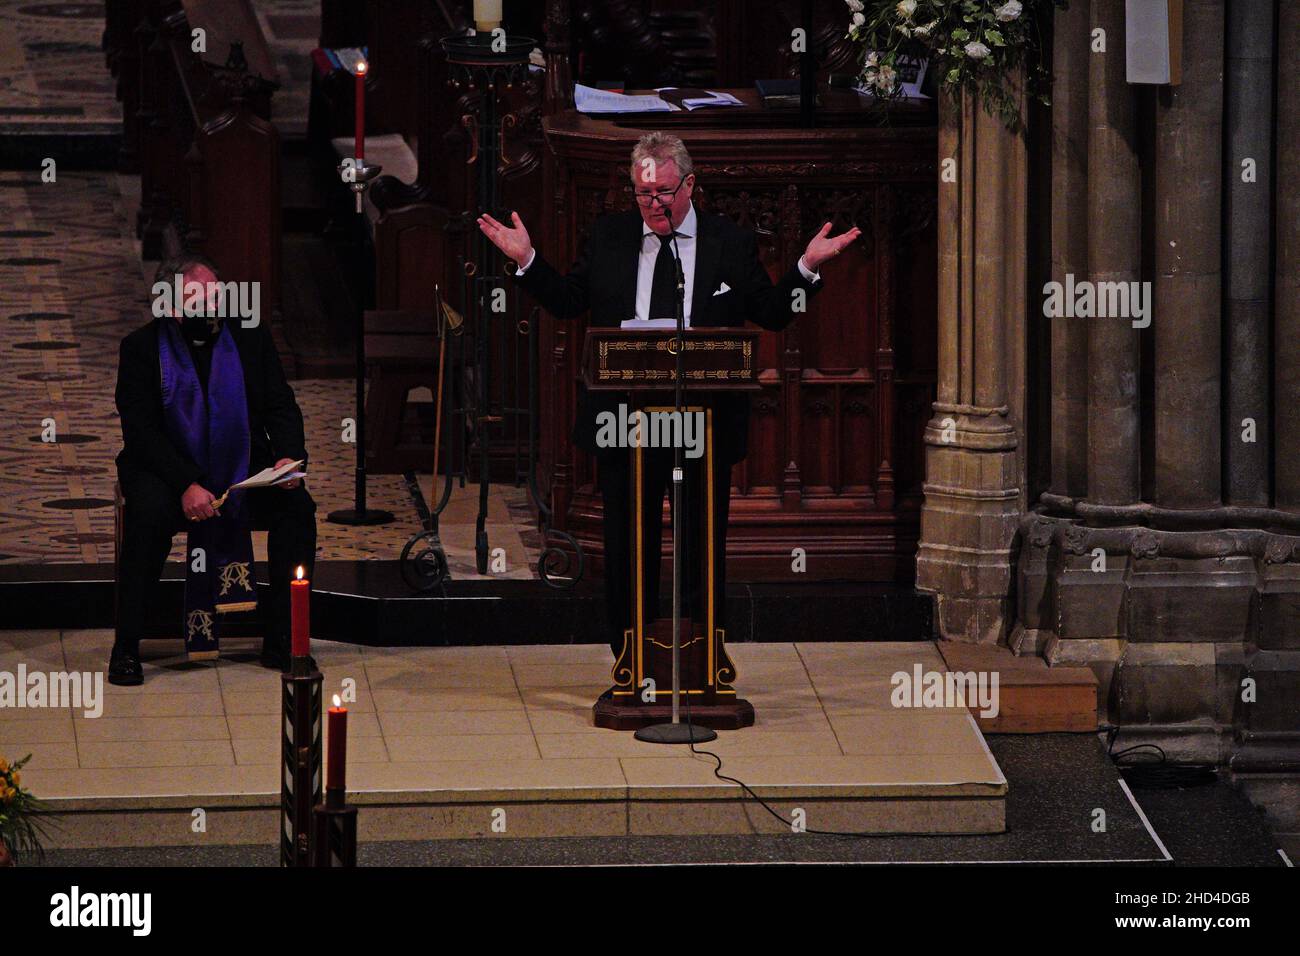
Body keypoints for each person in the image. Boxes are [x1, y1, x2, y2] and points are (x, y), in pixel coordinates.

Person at [478, 132, 860, 674]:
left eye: (663, 195)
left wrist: (807, 269)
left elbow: (773, 313)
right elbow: (567, 302)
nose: (653, 206)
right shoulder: (611, 236)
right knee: (627, 546)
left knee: (700, 546)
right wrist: (528, 261)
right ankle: (630, 664)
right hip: (625, 420)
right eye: (642, 195)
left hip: (703, 421)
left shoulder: (729, 241)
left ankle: (703, 664)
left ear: (690, 185)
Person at [109, 254, 316, 685]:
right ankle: (127, 645)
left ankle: (283, 640)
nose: (211, 306)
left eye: (215, 295)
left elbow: (280, 404)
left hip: (237, 458)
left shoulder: (249, 337)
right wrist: (186, 483)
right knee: (146, 518)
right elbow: (142, 433)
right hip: (164, 467)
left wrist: (287, 457)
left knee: (296, 509)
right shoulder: (141, 348)